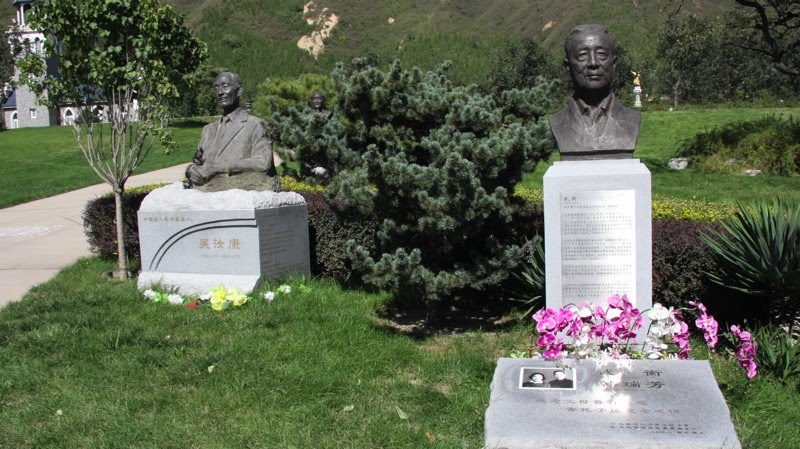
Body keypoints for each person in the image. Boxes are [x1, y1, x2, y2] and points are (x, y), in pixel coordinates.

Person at [549, 24, 641, 160]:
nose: (593, 63)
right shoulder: (558, 122)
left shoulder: (632, 120)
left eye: (601, 55)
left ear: (614, 63)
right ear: (568, 66)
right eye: (582, 56)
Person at [185, 72, 279, 192]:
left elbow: (263, 162)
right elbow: (197, 160)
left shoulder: (257, 124)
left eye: (225, 86)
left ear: (239, 91)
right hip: (206, 194)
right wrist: (191, 170)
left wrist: (220, 167)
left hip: (240, 193)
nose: (220, 92)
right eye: (216, 88)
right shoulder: (208, 129)